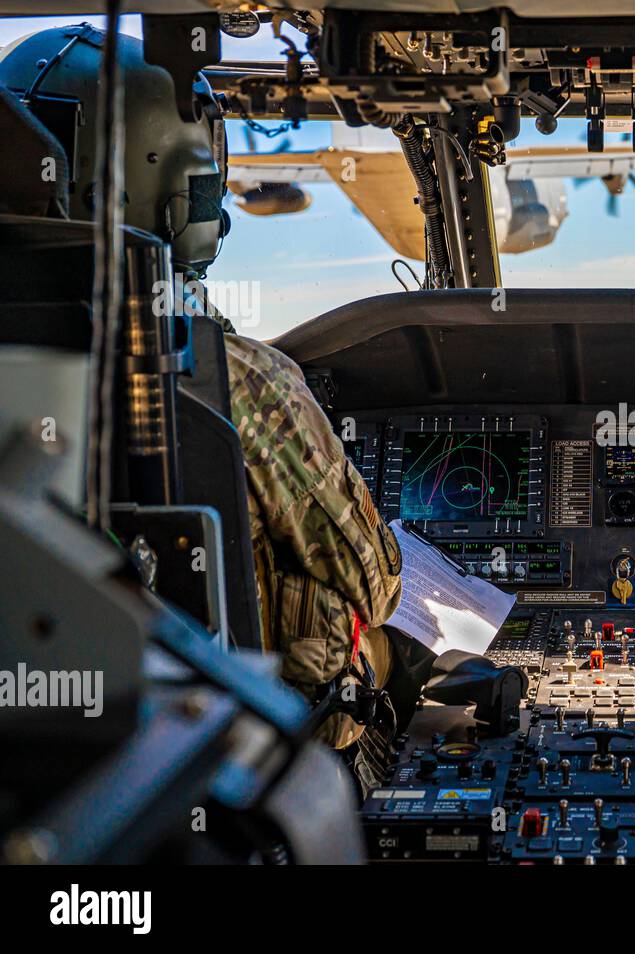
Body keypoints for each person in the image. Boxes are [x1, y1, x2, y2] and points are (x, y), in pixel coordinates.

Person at [0, 25, 403, 749]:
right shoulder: (239, 377)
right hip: (216, 746)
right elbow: (375, 584)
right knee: (372, 640)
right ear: (182, 186)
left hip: (42, 748)